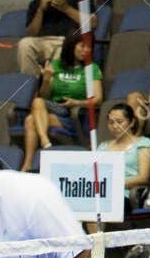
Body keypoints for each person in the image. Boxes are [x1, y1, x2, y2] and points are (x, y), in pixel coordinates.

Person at [23, 30, 101, 172]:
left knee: (30, 120)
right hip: (55, 108)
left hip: (75, 115)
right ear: (71, 45)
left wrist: (77, 103)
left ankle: (28, 164)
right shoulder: (56, 65)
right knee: (38, 102)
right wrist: (46, 79)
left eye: (89, 47)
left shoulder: (92, 69)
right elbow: (44, 95)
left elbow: (98, 99)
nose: (86, 50)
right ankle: (44, 142)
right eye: (82, 46)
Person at [17, 0, 93, 76]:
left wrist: (66, 8)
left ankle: (53, 86)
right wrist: (41, 10)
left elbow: (93, 23)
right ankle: (31, 85)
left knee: (63, 51)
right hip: (43, 42)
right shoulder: (37, 3)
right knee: (24, 44)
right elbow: (31, 33)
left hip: (68, 42)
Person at [104, 102, 150, 198]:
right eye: (111, 122)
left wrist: (113, 184)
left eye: (119, 122)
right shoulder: (102, 147)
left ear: (131, 122)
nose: (115, 126)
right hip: (102, 193)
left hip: (125, 195)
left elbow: (143, 178)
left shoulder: (143, 143)